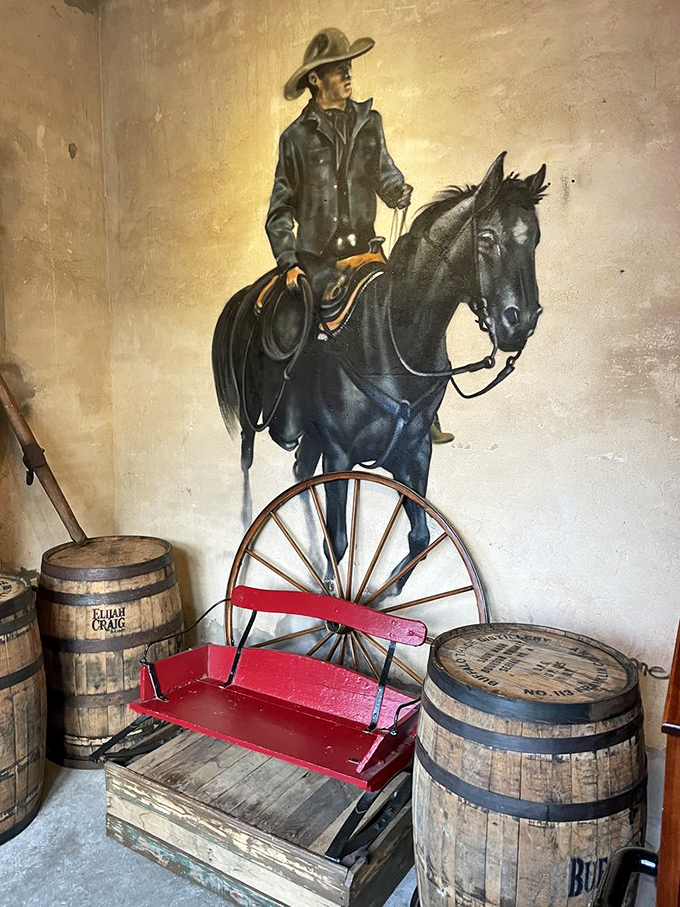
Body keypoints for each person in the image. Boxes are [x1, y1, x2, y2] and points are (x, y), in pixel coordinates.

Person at [265, 28, 454, 444]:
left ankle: (425, 409)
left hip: (366, 254)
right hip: (317, 260)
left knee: (410, 310)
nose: (349, 74)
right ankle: (297, 414)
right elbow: (279, 210)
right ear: (315, 79)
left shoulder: (370, 123)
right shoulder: (294, 138)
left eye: (349, 66)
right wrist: (289, 262)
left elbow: (384, 173)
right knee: (299, 329)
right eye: (339, 68)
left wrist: (396, 189)